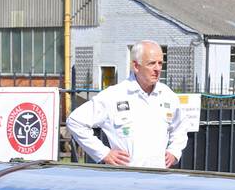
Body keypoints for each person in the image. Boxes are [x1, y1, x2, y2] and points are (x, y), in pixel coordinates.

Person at [65, 40, 187, 169]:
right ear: (136, 66)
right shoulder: (114, 95)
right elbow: (75, 121)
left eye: (160, 63)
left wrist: (174, 151)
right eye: (151, 63)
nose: (157, 69)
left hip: (158, 177)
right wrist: (104, 153)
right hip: (125, 178)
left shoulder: (168, 95)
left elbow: (181, 126)